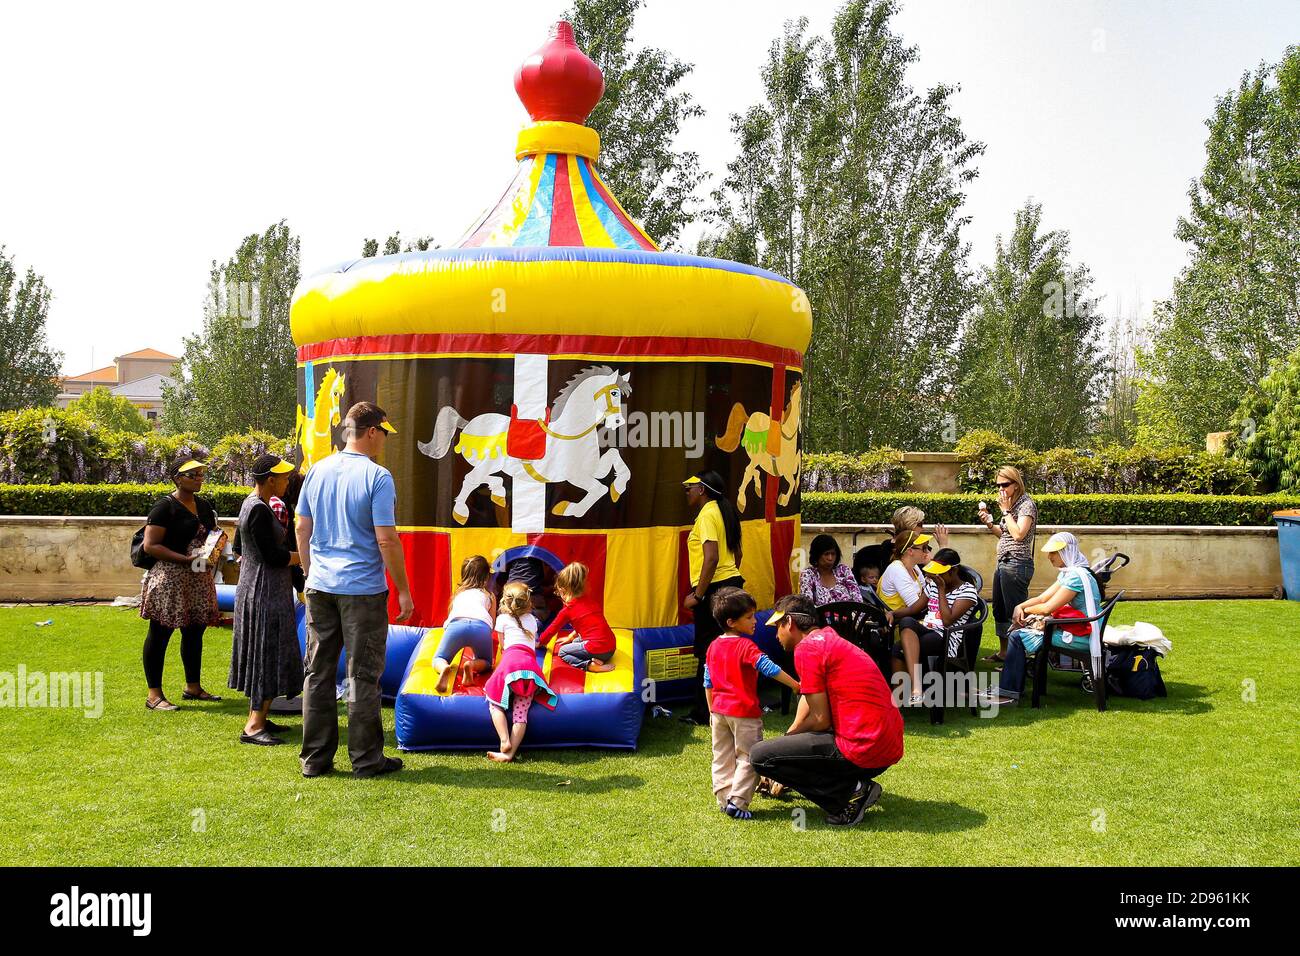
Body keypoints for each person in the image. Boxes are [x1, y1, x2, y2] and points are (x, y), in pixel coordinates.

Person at [295, 402, 415, 779]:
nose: (384, 441)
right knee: (362, 674)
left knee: (317, 673)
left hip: (321, 586)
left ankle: (315, 760)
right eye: (384, 434)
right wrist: (403, 590)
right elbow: (386, 540)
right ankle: (366, 760)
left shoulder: (317, 470)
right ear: (372, 432)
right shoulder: (378, 477)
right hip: (362, 589)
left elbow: (302, 528)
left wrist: (310, 574)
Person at [750, 595, 904, 827]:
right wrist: (787, 742)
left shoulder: (807, 649)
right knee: (779, 751)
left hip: (864, 749)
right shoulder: (827, 639)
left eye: (778, 626)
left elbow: (820, 720)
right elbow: (808, 699)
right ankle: (852, 786)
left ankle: (850, 795)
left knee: (760, 756)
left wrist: (781, 752)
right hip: (884, 747)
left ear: (789, 622)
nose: (776, 635)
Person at [704, 588, 801, 820]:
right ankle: (738, 802)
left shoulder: (713, 646)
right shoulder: (746, 647)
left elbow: (707, 681)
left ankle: (724, 798)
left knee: (721, 756)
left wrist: (711, 710)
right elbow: (769, 668)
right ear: (731, 622)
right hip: (744, 712)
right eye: (749, 617)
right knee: (750, 756)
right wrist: (795, 684)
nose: (755, 621)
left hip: (719, 712)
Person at [228, 454, 303, 745]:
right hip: (264, 592)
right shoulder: (258, 508)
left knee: (265, 653)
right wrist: (305, 557)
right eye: (283, 477)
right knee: (266, 654)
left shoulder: (253, 503)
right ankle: (254, 726)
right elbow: (273, 556)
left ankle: (259, 715)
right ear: (270, 480)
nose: (287, 482)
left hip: (261, 588)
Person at [140, 458, 226, 711]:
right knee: (160, 633)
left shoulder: (204, 505)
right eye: (193, 474)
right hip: (171, 579)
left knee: (194, 631)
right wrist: (186, 560)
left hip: (197, 577)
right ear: (177, 478)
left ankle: (193, 687)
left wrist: (215, 548)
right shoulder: (164, 507)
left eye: (201, 474)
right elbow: (150, 546)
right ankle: (154, 695)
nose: (199, 478)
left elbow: (210, 536)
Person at [980, 532, 1098, 707]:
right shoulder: (1071, 572)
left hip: (1082, 636)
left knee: (1017, 637)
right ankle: (1010, 689)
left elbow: (1047, 608)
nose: (1049, 557)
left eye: (1054, 552)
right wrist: (1019, 607)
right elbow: (1043, 598)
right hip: (1080, 629)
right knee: (1018, 635)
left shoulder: (1075, 577)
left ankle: (1009, 693)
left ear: (1067, 551)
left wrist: (1023, 611)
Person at [682, 470, 744, 725]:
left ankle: (702, 713)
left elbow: (712, 557)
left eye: (690, 488)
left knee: (707, 652)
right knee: (728, 649)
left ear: (702, 490)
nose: (687, 492)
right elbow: (737, 554)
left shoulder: (707, 514)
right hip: (732, 584)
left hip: (714, 590)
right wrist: (730, 581)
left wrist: (699, 595)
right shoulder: (725, 512)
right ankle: (731, 705)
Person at [483, 581, 559, 761]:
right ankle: (509, 754)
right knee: (520, 714)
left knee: (495, 703)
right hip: (530, 670)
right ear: (528, 602)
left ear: (505, 601)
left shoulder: (502, 619)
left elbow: (503, 646)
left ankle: (504, 740)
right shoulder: (532, 620)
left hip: (510, 666)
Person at [893, 548, 979, 703]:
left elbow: (947, 620)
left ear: (954, 571)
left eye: (941, 573)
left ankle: (913, 692)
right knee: (906, 622)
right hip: (927, 630)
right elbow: (914, 609)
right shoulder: (933, 585)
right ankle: (910, 693)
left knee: (898, 649)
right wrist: (892, 613)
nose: (937, 577)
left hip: (947, 637)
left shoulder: (967, 591)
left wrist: (941, 590)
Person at [978, 465, 1038, 663]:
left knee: (1016, 612)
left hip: (1017, 563)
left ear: (1016, 484)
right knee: (1000, 610)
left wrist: (1005, 511)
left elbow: (1019, 535)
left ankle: (1017, 659)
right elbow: (1006, 535)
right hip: (1004, 562)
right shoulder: (1012, 505)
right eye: (998, 486)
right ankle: (1004, 653)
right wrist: (989, 524)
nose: (1001, 489)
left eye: (1005, 485)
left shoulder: (1026, 505)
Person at [433, 555, 497, 693]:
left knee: (439, 658)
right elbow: (492, 623)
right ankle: (471, 665)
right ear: (486, 577)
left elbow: (451, 615)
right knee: (486, 662)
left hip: (456, 626)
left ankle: (444, 667)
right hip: (481, 627)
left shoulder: (458, 593)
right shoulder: (489, 595)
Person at [538, 562, 616, 673]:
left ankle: (590, 666)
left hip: (598, 649)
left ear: (562, 591)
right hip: (611, 648)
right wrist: (570, 637)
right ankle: (597, 659)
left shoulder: (568, 610)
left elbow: (552, 629)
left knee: (563, 651)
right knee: (576, 641)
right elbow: (586, 626)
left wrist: (540, 642)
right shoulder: (591, 602)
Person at [799, 534, 861, 606]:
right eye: (826, 554)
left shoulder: (843, 570)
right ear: (817, 555)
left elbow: (857, 599)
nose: (830, 558)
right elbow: (807, 605)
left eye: (833, 554)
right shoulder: (808, 574)